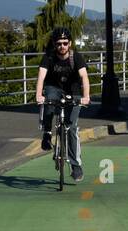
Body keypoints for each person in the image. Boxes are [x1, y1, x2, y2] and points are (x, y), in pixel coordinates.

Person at [36, 27, 91, 183]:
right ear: (54, 44)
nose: (62, 46)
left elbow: (84, 78)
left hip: (73, 92)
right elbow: (41, 77)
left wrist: (86, 97)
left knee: (72, 127)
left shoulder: (76, 57)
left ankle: (76, 165)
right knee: (48, 101)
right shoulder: (49, 57)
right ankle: (47, 132)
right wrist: (38, 95)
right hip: (53, 88)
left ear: (70, 43)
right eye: (59, 43)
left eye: (65, 43)